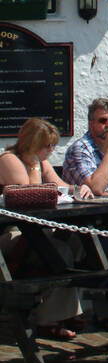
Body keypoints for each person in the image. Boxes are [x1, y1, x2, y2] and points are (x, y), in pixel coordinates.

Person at [0, 119, 92, 340]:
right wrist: (33, 164)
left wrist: (80, 188)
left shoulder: (42, 162)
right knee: (59, 251)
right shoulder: (9, 159)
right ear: (31, 144)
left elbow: (58, 184)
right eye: (46, 146)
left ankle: (66, 312)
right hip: (10, 231)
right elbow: (28, 193)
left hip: (37, 230)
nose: (51, 150)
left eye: (53, 145)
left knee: (78, 243)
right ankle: (48, 318)